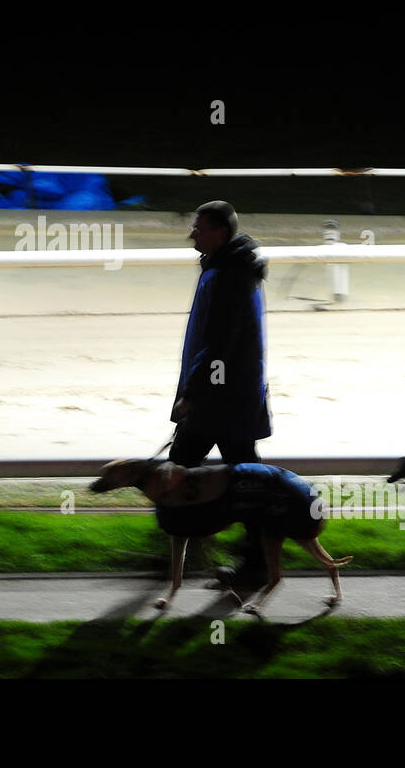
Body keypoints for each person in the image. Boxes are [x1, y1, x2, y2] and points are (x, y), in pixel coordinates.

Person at [169, 200, 272, 586]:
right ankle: (233, 553)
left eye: (199, 227)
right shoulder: (230, 267)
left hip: (221, 400)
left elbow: (217, 344)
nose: (192, 233)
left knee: (181, 469)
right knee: (238, 476)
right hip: (230, 396)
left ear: (219, 232)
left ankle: (192, 549)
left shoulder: (228, 274)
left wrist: (195, 392)